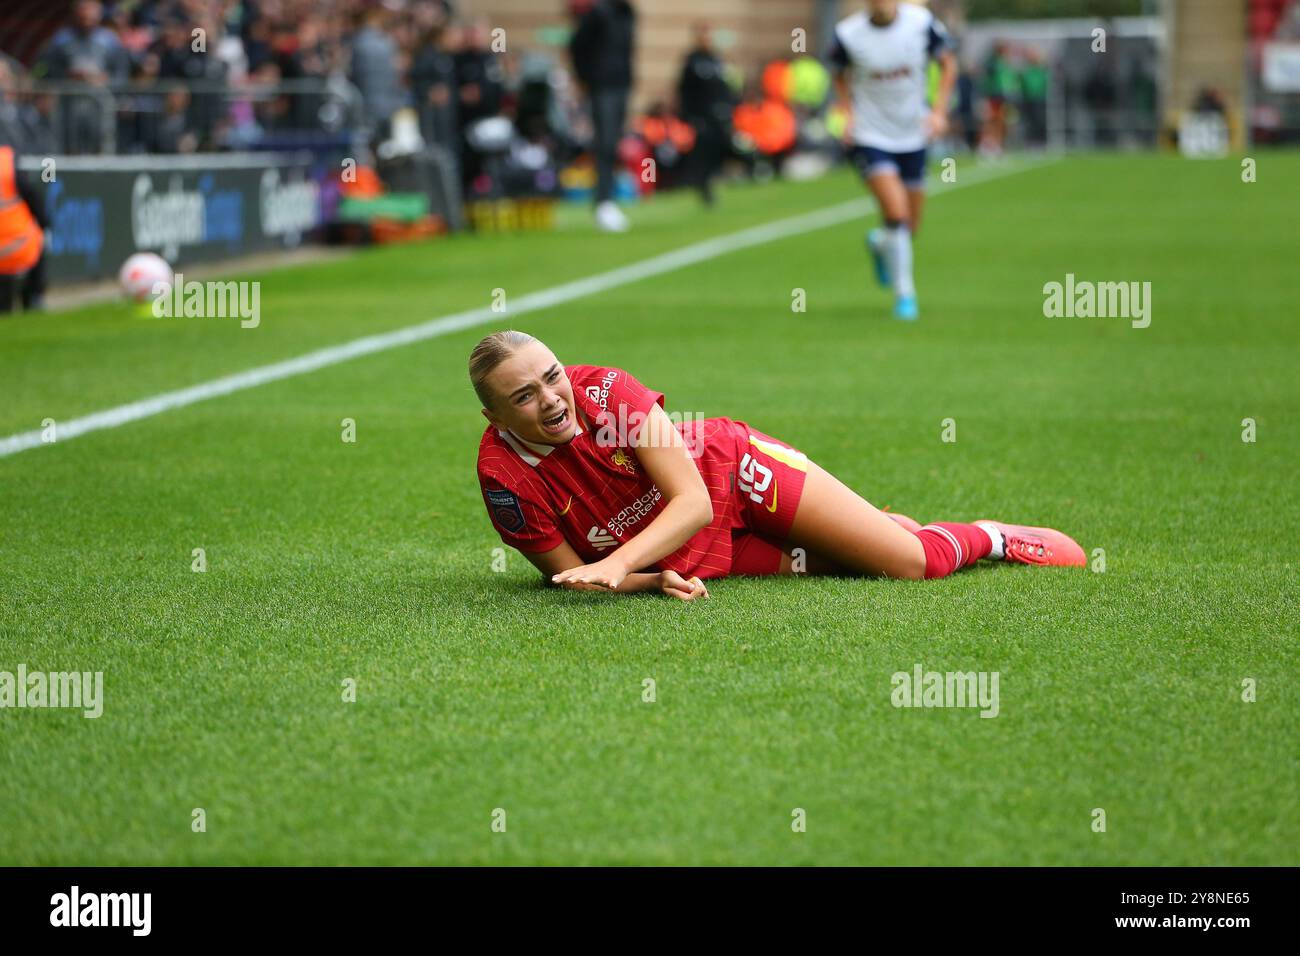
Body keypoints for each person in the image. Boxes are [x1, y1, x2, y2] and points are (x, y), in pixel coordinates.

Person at [471, 331, 1085, 600]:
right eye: (524, 396)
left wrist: (623, 562)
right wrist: (649, 579)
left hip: (729, 474)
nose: (552, 399)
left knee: (910, 564)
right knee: (853, 569)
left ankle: (997, 538)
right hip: (679, 551)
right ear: (494, 418)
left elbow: (693, 502)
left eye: (552, 376)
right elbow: (575, 577)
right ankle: (874, 525)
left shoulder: (608, 393)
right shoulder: (506, 480)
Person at [829, 0, 956, 322]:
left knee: (910, 227)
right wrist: (847, 110)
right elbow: (838, 73)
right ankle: (905, 296)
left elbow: (948, 64)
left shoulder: (921, 23)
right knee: (896, 213)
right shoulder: (849, 34)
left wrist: (939, 110)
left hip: (913, 134)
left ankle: (880, 243)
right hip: (870, 137)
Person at [568, 0, 636, 232]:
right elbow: (577, 45)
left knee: (614, 144)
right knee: (605, 143)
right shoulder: (599, 13)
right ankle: (603, 202)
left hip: (621, 86)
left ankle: (609, 198)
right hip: (602, 87)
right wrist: (586, 79)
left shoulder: (628, 14)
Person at [677, 20, 734, 206]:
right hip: (701, 115)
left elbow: (724, 86)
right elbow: (684, 90)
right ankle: (701, 184)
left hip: (719, 115)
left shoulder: (716, 60)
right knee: (702, 151)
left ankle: (709, 181)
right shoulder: (693, 61)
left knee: (717, 150)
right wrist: (689, 115)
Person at [0, 143, 46, 314]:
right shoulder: (7, 163)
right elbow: (32, 196)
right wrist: (44, 222)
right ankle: (34, 299)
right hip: (17, 246)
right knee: (39, 237)